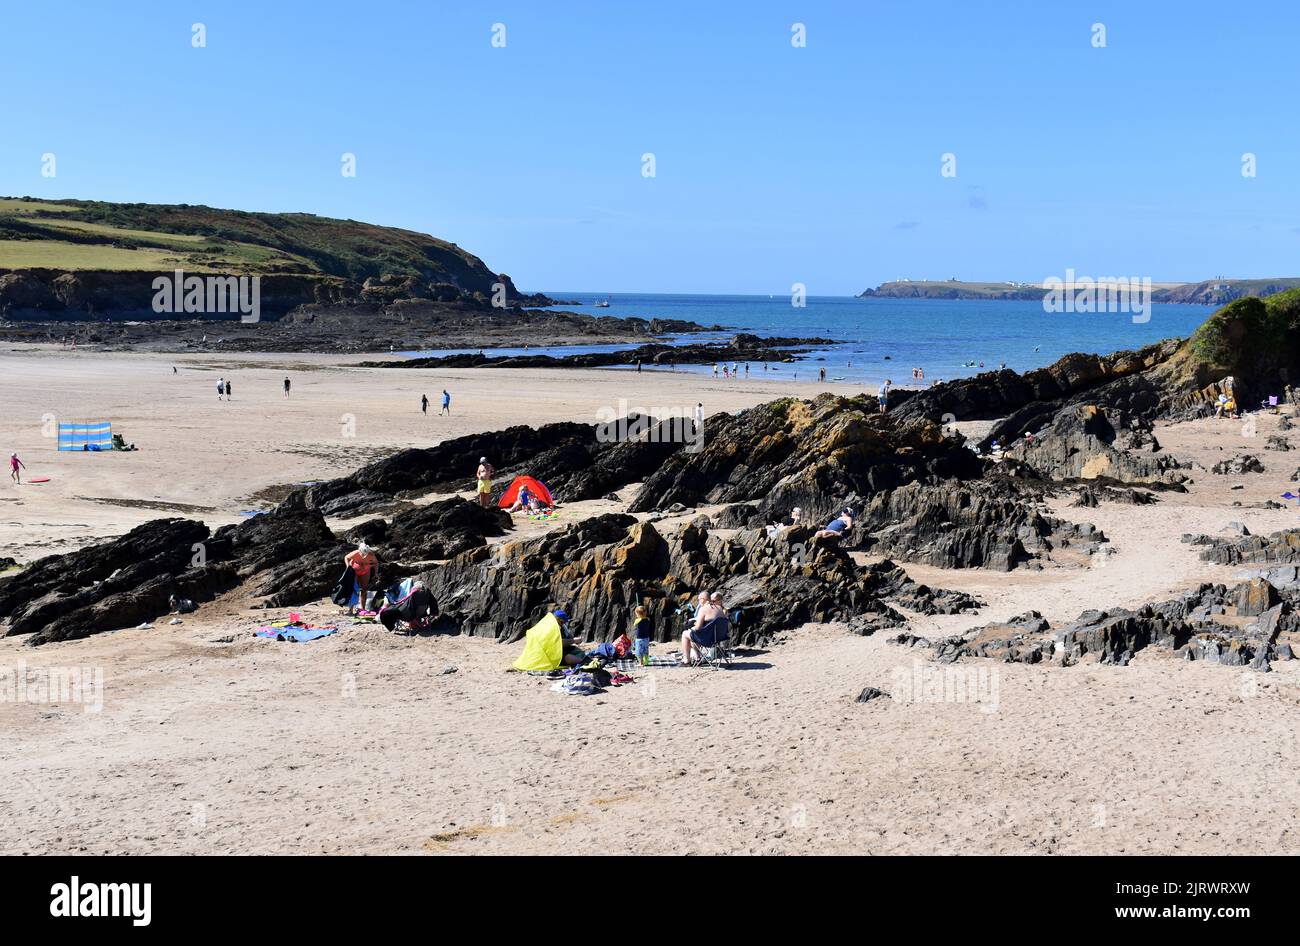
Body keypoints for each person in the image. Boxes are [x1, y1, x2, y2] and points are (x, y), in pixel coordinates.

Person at [681, 591, 725, 666]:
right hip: (719, 638)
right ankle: (697, 658)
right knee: (694, 635)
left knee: (685, 634)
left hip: (707, 640)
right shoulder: (720, 608)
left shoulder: (703, 609)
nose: (698, 601)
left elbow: (698, 628)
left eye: (699, 599)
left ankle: (687, 660)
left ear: (703, 599)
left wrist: (693, 627)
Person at [343, 542, 379, 615]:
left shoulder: (371, 555)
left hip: (365, 571)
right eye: (362, 553)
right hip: (354, 571)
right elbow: (346, 557)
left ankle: (362, 609)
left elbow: (376, 563)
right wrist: (348, 567)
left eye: (365, 553)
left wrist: (375, 573)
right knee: (353, 589)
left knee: (364, 590)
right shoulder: (356, 553)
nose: (364, 555)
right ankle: (350, 609)